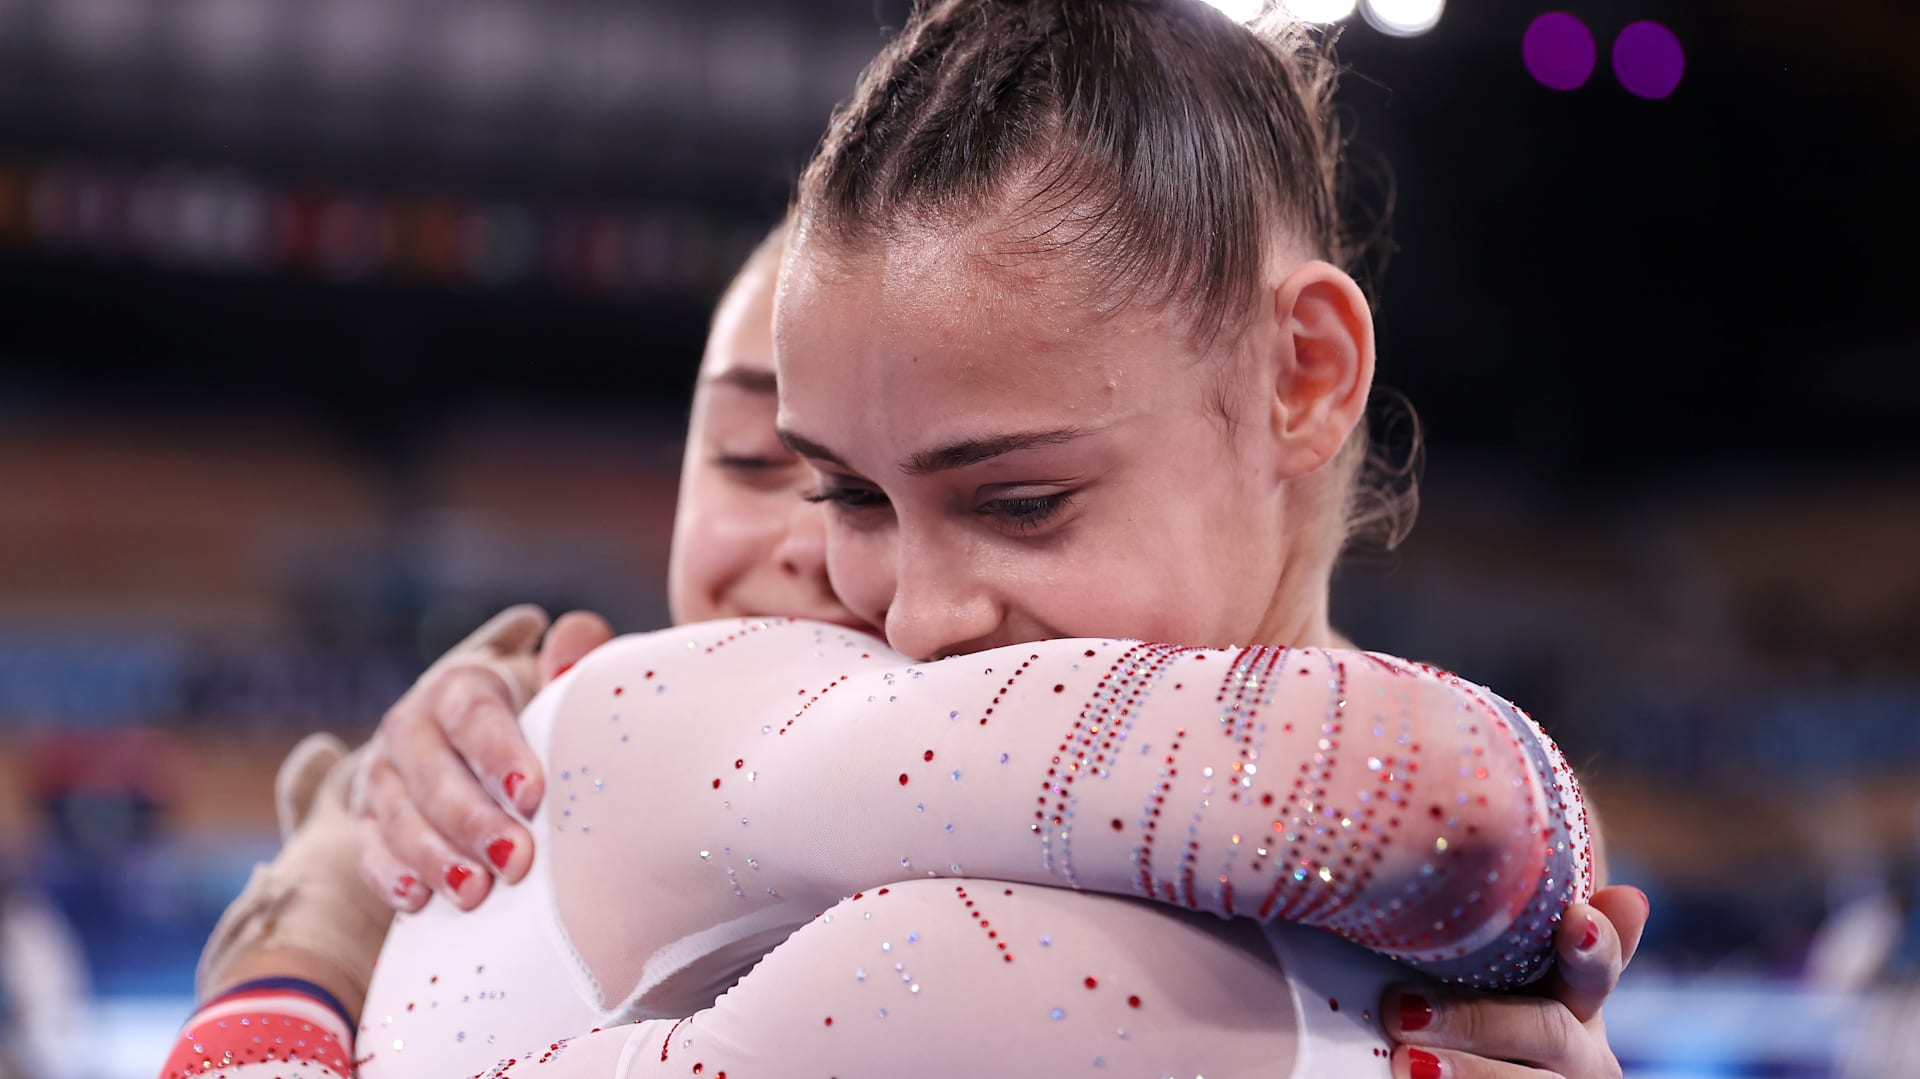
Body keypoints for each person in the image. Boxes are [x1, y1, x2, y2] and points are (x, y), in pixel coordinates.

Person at [165, 5, 1646, 1076]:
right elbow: (1459, 806)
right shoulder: (605, 747)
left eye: (1018, 501)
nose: (912, 614)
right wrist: (317, 923)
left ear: (1303, 376)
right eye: (830, 487)